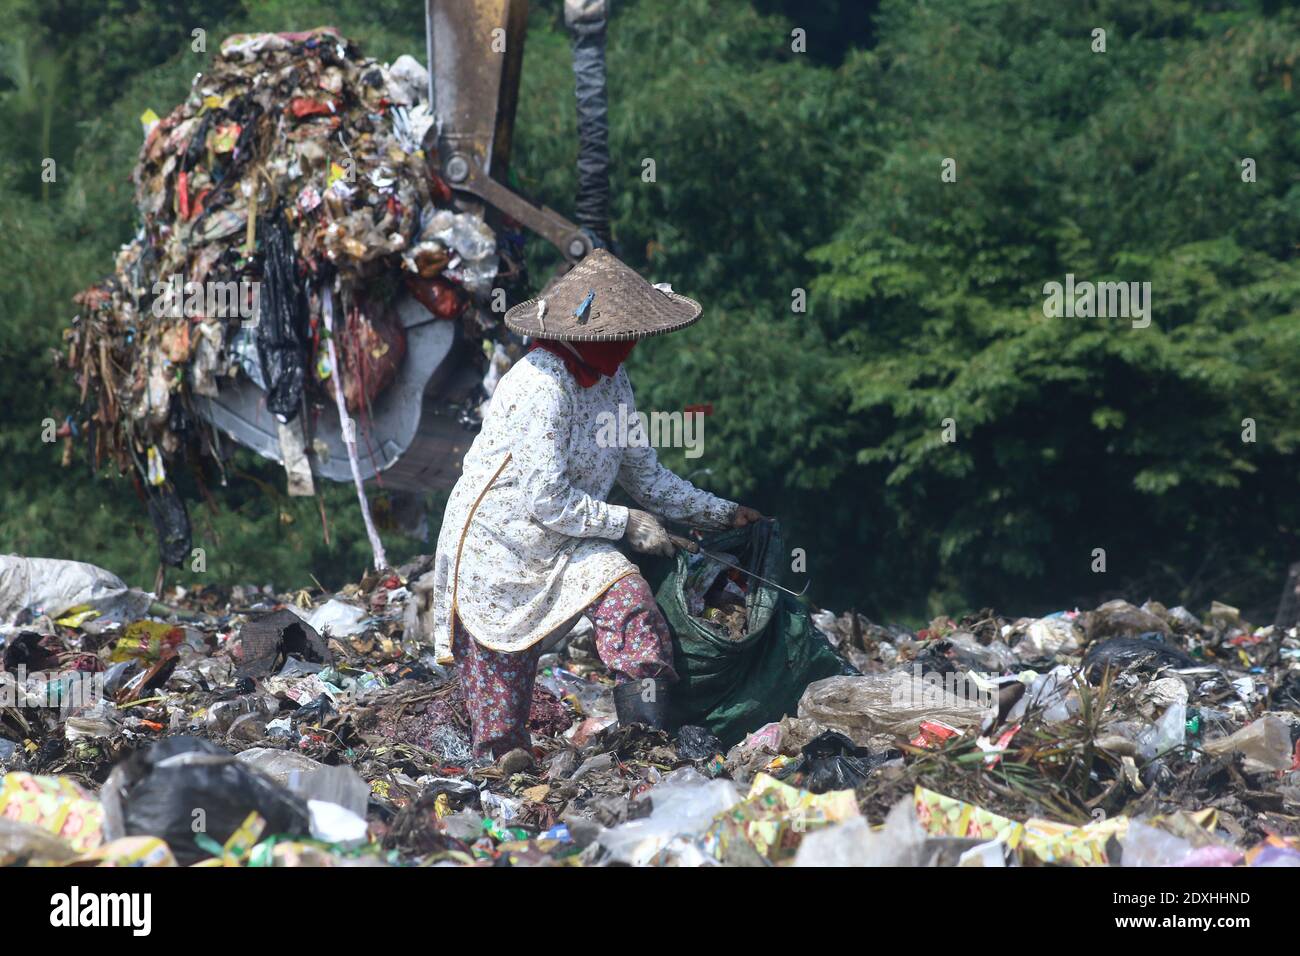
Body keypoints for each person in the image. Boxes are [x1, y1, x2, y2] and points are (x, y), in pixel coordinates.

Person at [429, 249, 761, 758]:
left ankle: (650, 745)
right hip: (497, 548)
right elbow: (546, 498)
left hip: (569, 537)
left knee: (630, 602)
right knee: (502, 734)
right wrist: (625, 521)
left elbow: (644, 475)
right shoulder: (541, 385)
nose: (624, 347)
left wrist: (721, 512)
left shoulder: (614, 382)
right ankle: (505, 789)